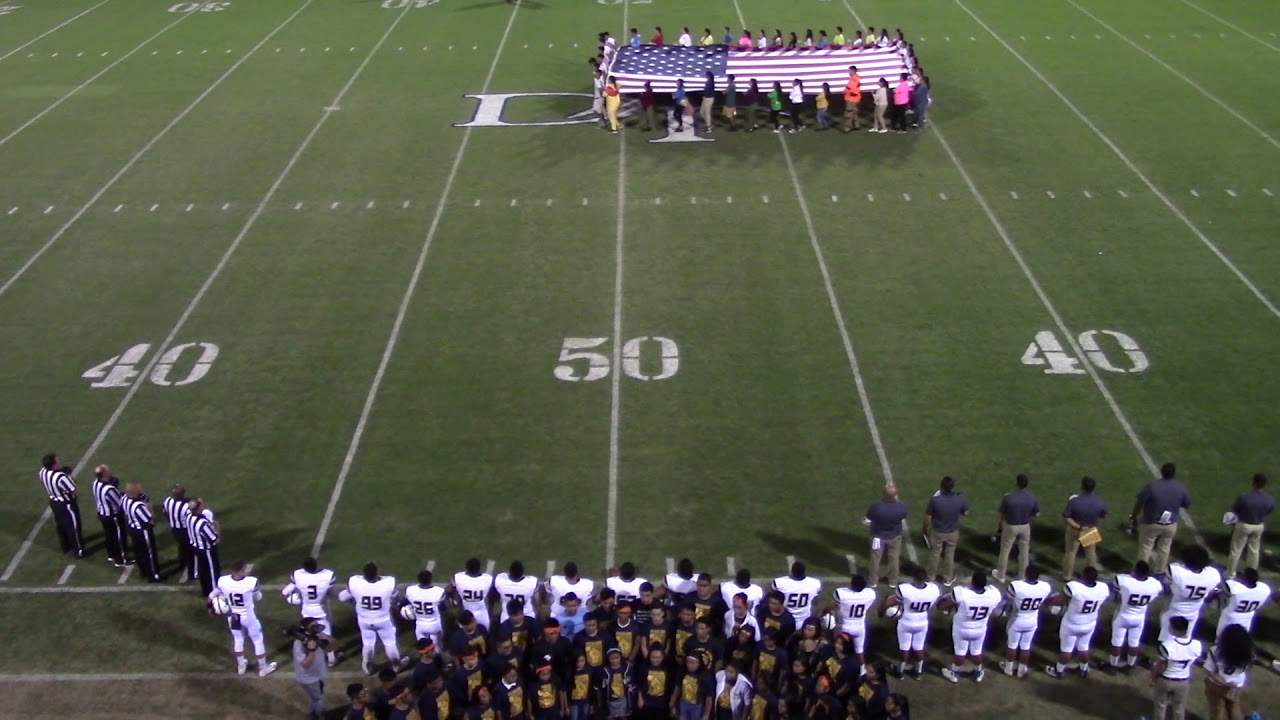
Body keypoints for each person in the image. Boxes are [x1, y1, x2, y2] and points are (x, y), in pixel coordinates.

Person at [210, 560, 278, 677]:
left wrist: (212, 608)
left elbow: (212, 596)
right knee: (257, 640)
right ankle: (263, 669)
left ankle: (241, 666)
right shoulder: (251, 582)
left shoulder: (223, 581)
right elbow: (258, 597)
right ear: (241, 570)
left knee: (238, 640)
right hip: (248, 616)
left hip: (233, 616)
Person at [340, 561, 405, 675]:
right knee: (389, 643)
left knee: (368, 643)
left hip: (364, 619)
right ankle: (396, 665)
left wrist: (354, 602)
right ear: (377, 572)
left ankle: (367, 666)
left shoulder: (355, 582)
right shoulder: (388, 582)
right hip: (383, 619)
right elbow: (396, 599)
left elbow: (343, 597)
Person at [1044, 566, 1109, 679]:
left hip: (1072, 623)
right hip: (1089, 623)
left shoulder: (1075, 587)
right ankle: (1084, 669)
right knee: (1084, 647)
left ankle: (1059, 670)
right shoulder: (1103, 588)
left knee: (1067, 649)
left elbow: (1060, 600)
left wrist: (1048, 602)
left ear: (1083, 576)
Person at [1130, 462, 1192, 576]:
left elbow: (1140, 501)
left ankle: (1140, 572)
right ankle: (1160, 571)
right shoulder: (1180, 488)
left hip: (1150, 522)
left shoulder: (1152, 486)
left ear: (1161, 471)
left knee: (1146, 548)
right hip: (1170, 524)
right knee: (1164, 548)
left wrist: (1134, 516)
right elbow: (1186, 504)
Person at [938, 572, 1000, 683]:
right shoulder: (993, 594)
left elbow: (943, 606)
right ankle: (978, 671)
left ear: (972, 582)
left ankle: (953, 671)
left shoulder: (962, 593)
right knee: (976, 652)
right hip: (980, 629)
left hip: (962, 629)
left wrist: (942, 601)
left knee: (960, 652)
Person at [283, 557, 342, 667]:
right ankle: (331, 659)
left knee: (309, 635)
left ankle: (310, 656)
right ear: (316, 565)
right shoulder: (327, 575)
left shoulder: (298, 575)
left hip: (307, 611)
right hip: (321, 611)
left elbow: (285, 592)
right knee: (327, 635)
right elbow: (332, 593)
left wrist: (293, 599)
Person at [882, 565, 938, 679]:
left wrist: (882, 608)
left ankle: (900, 671)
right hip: (922, 622)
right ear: (925, 578)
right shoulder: (933, 589)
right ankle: (918, 672)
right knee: (919, 647)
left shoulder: (905, 589)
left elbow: (891, 602)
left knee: (904, 647)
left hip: (906, 621)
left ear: (913, 577)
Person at [1108, 561, 1163, 672]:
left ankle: (1113, 666)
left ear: (1135, 570)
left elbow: (1114, 592)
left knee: (1117, 642)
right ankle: (1131, 665)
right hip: (1139, 617)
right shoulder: (1155, 585)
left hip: (1123, 615)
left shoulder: (1123, 580)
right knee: (1134, 642)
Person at [1159, 544, 1220, 642]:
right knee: (1185, 640)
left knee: (1167, 643)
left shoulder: (1176, 570)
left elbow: (1166, 586)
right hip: (1193, 613)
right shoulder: (1213, 575)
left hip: (1174, 611)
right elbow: (1213, 593)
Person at [1002, 564, 1051, 678]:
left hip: (1017, 619)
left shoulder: (1017, 586)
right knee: (1026, 645)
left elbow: (1007, 599)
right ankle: (1022, 669)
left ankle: (1009, 668)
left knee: (1012, 645)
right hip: (1032, 620)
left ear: (1025, 573)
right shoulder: (1044, 587)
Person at [1152, 616, 1202, 720]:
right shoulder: (1197, 645)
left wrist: (1153, 677)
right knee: (1179, 708)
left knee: (1160, 706)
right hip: (1183, 681)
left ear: (1175, 629)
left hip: (1166, 679)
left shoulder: (1167, 646)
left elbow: (1161, 665)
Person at [1225, 473, 1273, 578]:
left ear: (1254, 483)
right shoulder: (1269, 499)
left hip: (1244, 525)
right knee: (1254, 551)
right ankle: (1251, 573)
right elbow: (1269, 510)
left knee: (1236, 550)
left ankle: (1230, 573)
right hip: (1258, 526)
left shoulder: (1245, 497)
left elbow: (1235, 510)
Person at [993, 474, 1040, 582]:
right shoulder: (1032, 497)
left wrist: (999, 526)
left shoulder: (1008, 497)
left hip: (1010, 526)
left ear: (1016, 483)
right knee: (1024, 551)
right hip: (1025, 526)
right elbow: (1037, 514)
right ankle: (1023, 576)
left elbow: (1001, 514)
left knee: (1005, 550)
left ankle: (1001, 575)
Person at [38, 453, 85, 558]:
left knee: (61, 525)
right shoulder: (61, 477)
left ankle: (65, 546)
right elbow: (73, 490)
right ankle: (79, 551)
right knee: (74, 527)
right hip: (66, 504)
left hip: (53, 501)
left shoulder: (42, 472)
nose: (60, 460)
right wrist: (70, 477)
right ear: (54, 465)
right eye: (57, 460)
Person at [924, 476, 969, 586]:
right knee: (950, 554)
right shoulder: (959, 498)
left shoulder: (935, 500)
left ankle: (930, 577)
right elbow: (966, 513)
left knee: (935, 553)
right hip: (952, 531)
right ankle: (948, 578)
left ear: (941, 487)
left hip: (938, 531)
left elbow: (928, 517)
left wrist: (926, 529)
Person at [1062, 476, 1108, 581]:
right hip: (1090, 529)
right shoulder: (1099, 501)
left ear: (1082, 487)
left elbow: (1066, 516)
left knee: (1070, 552)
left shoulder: (1074, 501)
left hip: (1075, 529)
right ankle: (1090, 576)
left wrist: (1077, 526)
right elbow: (1103, 514)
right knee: (1090, 552)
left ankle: (1067, 575)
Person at [1204, 624, 1252, 720]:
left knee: (1216, 710)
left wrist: (1224, 683)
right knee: (1234, 707)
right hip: (1237, 686)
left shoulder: (1215, 651)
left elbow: (1209, 671)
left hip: (1217, 685)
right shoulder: (1249, 654)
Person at [864, 484, 908, 587]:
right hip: (895, 536)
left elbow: (866, 521)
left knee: (875, 558)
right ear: (895, 495)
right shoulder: (901, 506)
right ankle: (893, 581)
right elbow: (903, 516)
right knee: (894, 558)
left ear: (884, 494)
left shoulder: (876, 506)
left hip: (878, 536)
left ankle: (873, 581)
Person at [827, 575, 875, 664]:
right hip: (859, 627)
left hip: (844, 627)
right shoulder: (870, 594)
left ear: (851, 583)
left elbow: (831, 606)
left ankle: (837, 667)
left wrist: (823, 613)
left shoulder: (842, 594)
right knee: (859, 651)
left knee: (838, 649)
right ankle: (862, 670)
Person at [90, 465, 130, 568]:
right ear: (104, 474)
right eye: (108, 470)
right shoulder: (109, 489)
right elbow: (119, 503)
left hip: (102, 513)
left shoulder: (95, 483)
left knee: (109, 535)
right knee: (119, 537)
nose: (110, 471)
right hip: (113, 516)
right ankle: (121, 560)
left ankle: (111, 554)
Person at [121, 480, 161, 582]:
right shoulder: (139, 506)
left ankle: (143, 571)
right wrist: (150, 508)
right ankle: (153, 575)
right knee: (149, 553)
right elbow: (150, 521)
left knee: (138, 551)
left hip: (132, 527)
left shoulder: (124, 498)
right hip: (143, 531)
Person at [1214, 567, 1271, 638]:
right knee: (1240, 640)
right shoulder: (1264, 590)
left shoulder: (1235, 589)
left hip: (1229, 620)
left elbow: (1217, 591)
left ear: (1245, 578)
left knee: (1222, 642)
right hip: (1246, 620)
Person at [293, 618, 331, 719]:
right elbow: (305, 664)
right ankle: (319, 716)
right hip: (309, 678)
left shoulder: (317, 636)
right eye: (314, 625)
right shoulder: (298, 644)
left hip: (317, 674)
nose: (317, 626)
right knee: (318, 699)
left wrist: (325, 637)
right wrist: (311, 651)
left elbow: (331, 647)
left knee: (314, 697)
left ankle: (311, 713)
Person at [405, 569, 447, 649]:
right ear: (431, 579)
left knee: (423, 648)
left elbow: (404, 602)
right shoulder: (439, 592)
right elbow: (443, 608)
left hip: (420, 625)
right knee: (436, 648)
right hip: (435, 625)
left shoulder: (410, 590)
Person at [673, 653, 713, 720]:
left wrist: (706, 714)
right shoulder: (683, 672)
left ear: (698, 663)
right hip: (683, 702)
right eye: (688, 662)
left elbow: (709, 697)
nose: (689, 665)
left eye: (692, 663)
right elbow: (677, 688)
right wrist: (673, 703)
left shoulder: (705, 676)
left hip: (697, 706)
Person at [841, 66, 861, 132]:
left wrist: (846, 91)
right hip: (854, 99)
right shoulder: (855, 78)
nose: (848, 72)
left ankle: (848, 127)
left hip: (851, 99)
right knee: (854, 112)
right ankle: (856, 125)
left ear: (852, 71)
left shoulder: (854, 79)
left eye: (849, 71)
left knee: (848, 113)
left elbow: (853, 90)